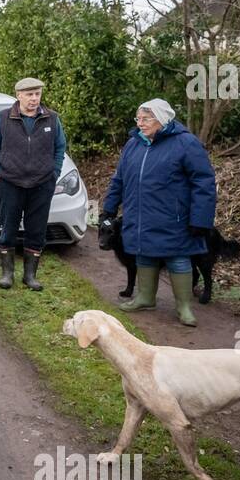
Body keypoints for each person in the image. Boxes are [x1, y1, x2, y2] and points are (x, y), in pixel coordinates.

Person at [100, 98, 217, 327]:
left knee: (178, 257)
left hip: (173, 217)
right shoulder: (133, 144)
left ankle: (184, 307)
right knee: (143, 254)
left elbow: (204, 182)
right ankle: (145, 298)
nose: (140, 123)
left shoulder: (185, 143)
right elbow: (119, 180)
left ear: (162, 119)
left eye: (146, 119)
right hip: (139, 215)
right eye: (138, 119)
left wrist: (201, 219)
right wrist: (109, 209)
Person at [0, 76, 66, 291]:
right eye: (29, 94)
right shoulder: (3, 118)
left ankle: (30, 276)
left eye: (37, 94)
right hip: (10, 182)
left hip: (42, 184)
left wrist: (54, 173)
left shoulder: (52, 119)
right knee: (9, 227)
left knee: (36, 230)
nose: (34, 99)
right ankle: (7, 274)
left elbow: (60, 148)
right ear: (18, 95)